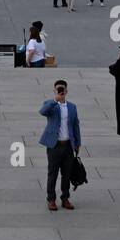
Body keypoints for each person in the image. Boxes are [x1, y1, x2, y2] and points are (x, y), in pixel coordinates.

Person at [39, 80, 81, 211]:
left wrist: (78, 143)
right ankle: (51, 199)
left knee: (66, 174)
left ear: (67, 91)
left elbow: (75, 126)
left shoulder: (72, 107)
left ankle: (65, 198)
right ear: (54, 91)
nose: (61, 92)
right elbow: (42, 111)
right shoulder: (50, 105)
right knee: (53, 174)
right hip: (54, 146)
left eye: (62, 90)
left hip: (68, 145)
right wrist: (55, 100)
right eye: (58, 89)